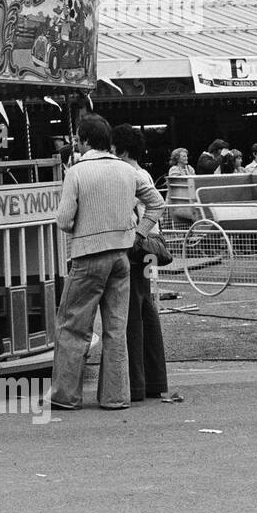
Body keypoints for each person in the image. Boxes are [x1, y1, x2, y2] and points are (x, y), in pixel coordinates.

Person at [49, 114, 164, 411]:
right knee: (116, 329)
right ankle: (115, 396)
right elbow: (157, 203)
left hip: (88, 257)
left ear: (84, 139)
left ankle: (66, 395)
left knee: (72, 326)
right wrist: (138, 233)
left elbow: (63, 220)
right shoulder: (127, 170)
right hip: (121, 258)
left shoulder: (76, 172)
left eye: (78, 137)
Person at [111, 125, 180, 404]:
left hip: (136, 250)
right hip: (151, 250)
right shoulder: (145, 173)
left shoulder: (128, 176)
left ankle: (136, 385)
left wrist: (136, 235)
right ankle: (154, 380)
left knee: (132, 316)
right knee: (148, 310)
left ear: (122, 149)